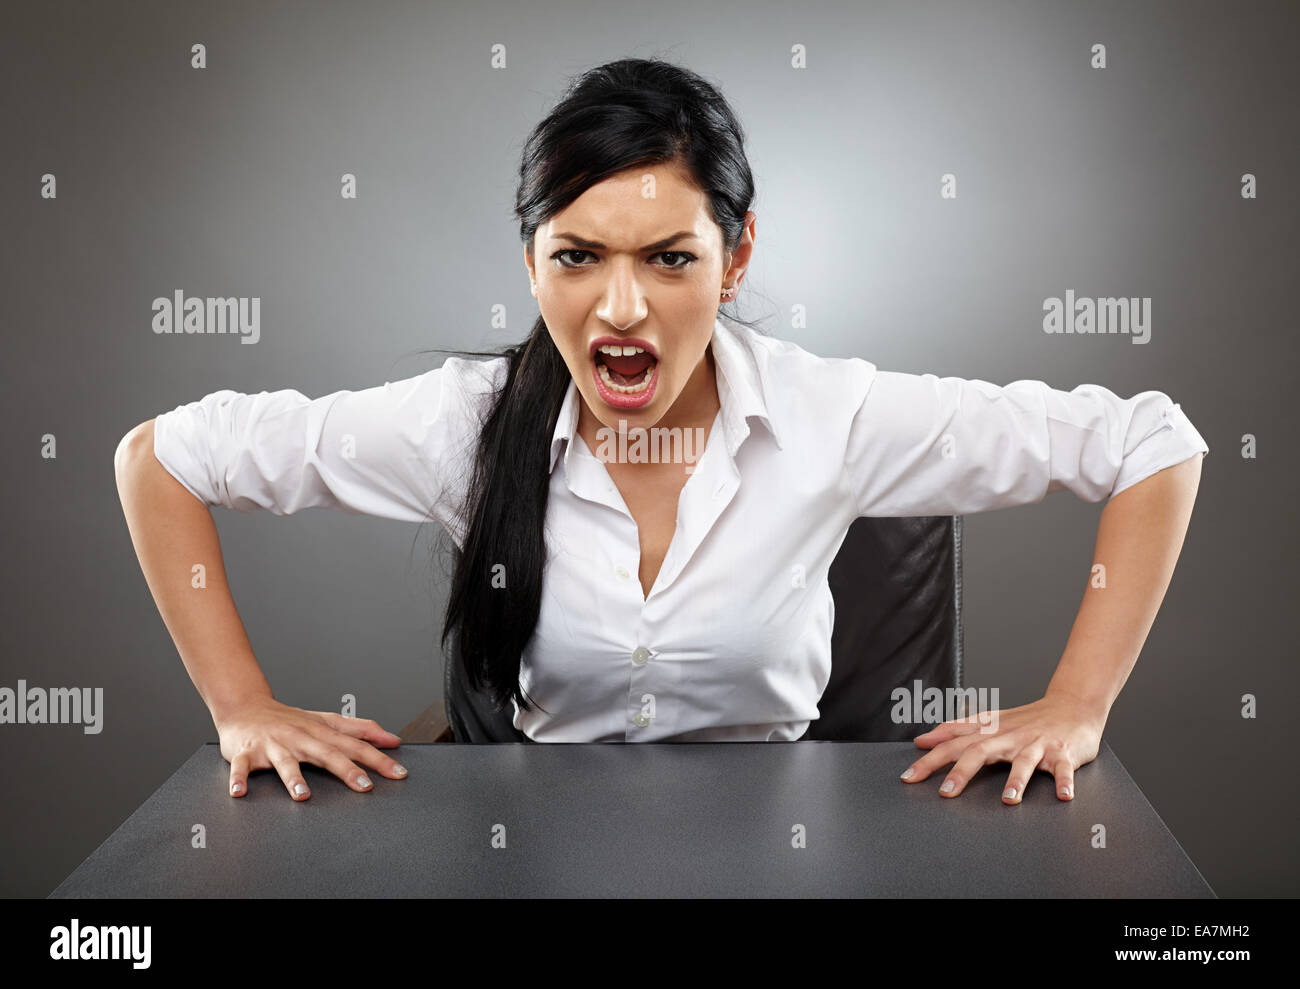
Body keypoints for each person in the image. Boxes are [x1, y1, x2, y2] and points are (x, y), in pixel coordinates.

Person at [114, 57, 1207, 804]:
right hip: (525, 840)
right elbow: (160, 455)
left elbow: (1151, 441)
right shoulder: (462, 422)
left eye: (670, 258)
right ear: (530, 263)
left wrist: (1076, 707)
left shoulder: (832, 413)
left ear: (735, 260)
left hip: (787, 835)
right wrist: (241, 707)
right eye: (577, 255)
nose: (620, 307)